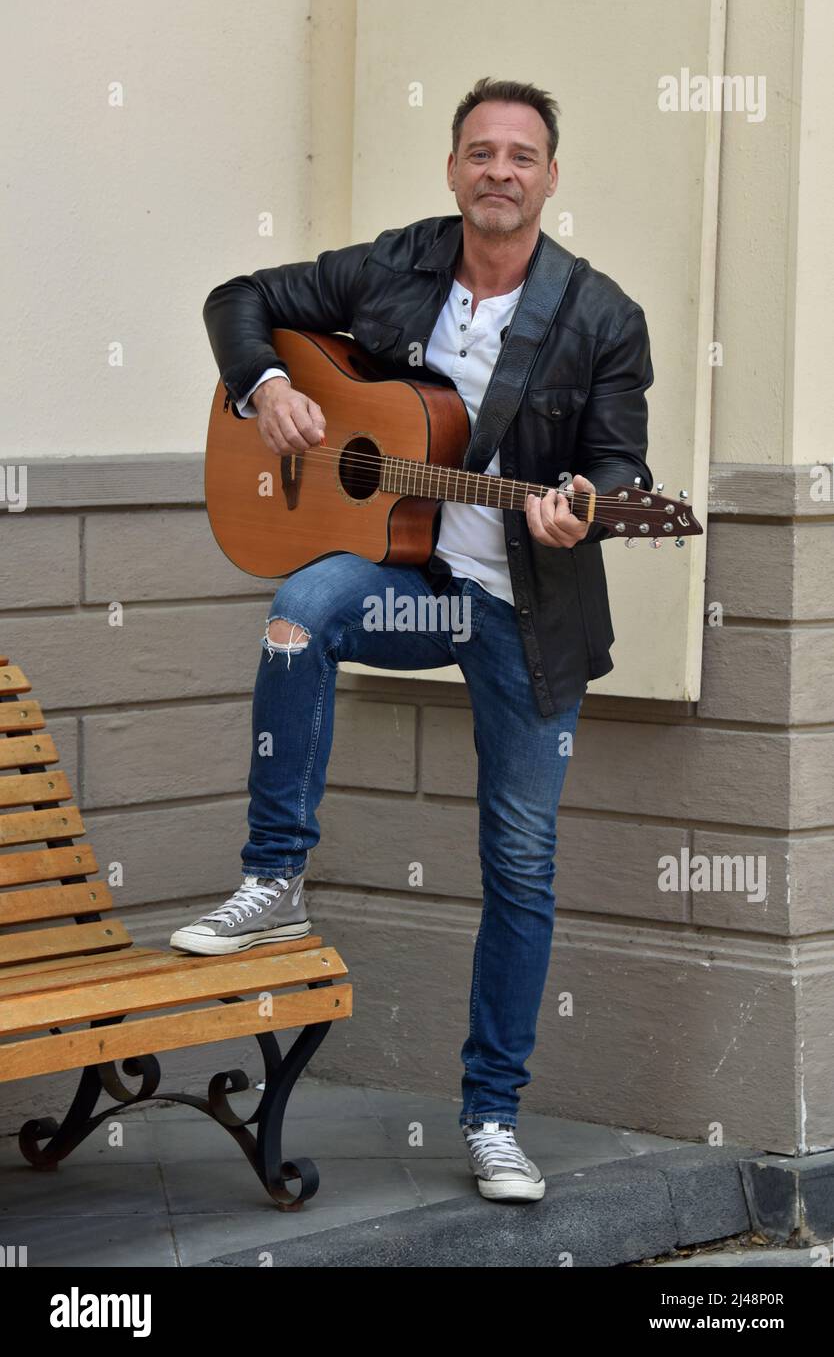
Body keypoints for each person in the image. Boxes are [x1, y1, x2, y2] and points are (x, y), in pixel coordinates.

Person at [171, 76, 653, 1204]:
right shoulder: (397, 263)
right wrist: (268, 384)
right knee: (299, 611)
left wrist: (583, 504)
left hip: (525, 612)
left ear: (549, 177)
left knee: (519, 863)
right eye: (480, 152)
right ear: (452, 169)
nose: (499, 171)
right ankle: (276, 877)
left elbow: (620, 466)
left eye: (520, 155)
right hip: (412, 575)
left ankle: (491, 1117)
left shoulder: (600, 315)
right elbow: (239, 297)